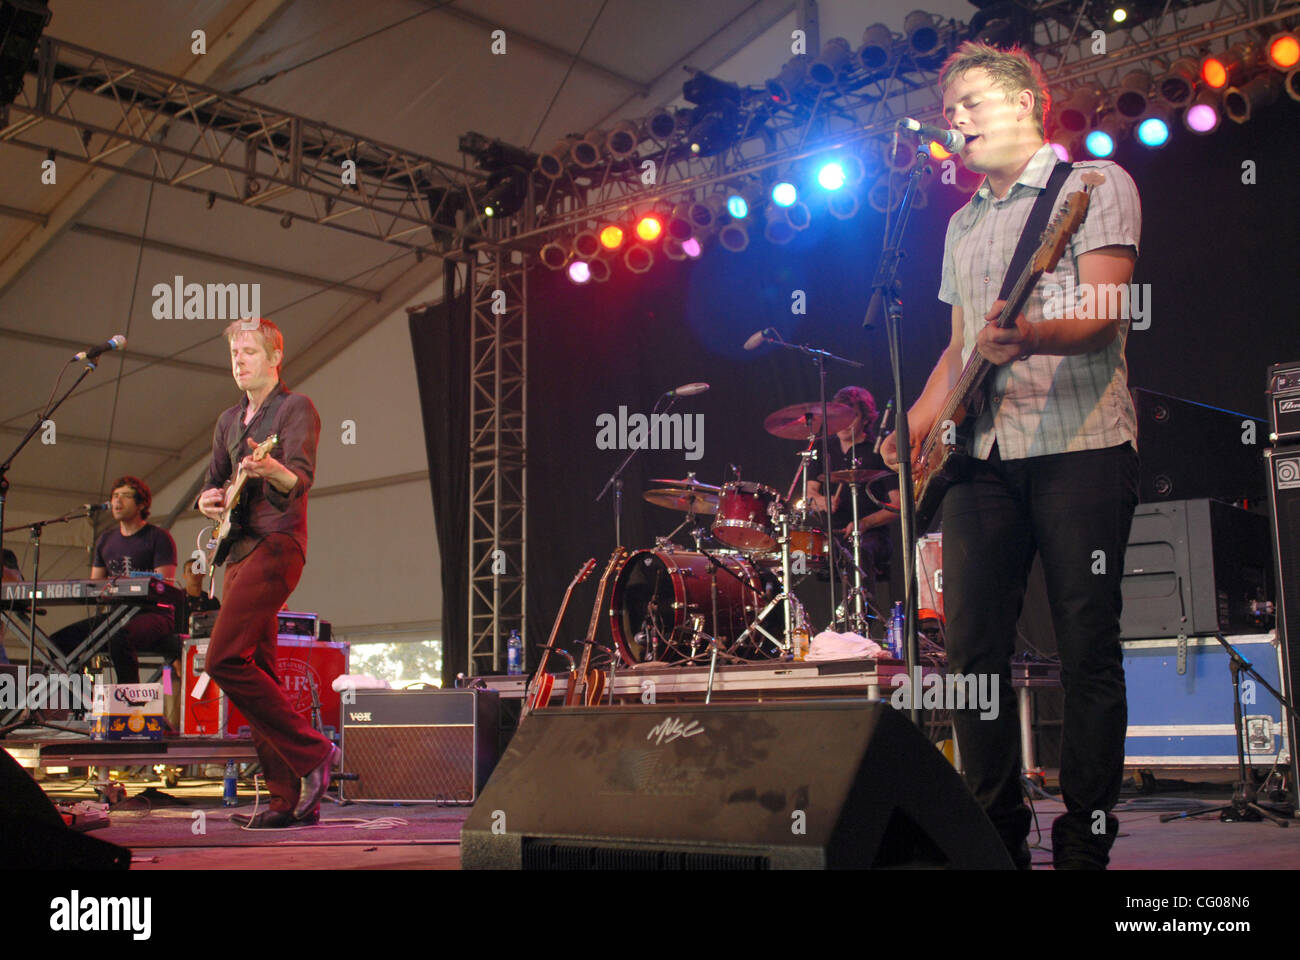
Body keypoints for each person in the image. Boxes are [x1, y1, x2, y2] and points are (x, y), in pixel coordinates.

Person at [881, 41, 1141, 870]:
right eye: (947, 105)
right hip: (980, 456)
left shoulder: (1094, 186)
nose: (952, 117)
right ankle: (991, 833)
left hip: (1080, 444)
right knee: (968, 653)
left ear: (1027, 101)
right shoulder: (961, 223)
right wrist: (918, 424)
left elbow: (1106, 310)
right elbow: (959, 347)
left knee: (1085, 645)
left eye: (969, 101)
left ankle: (1083, 839)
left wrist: (1027, 334)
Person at [197, 317, 335, 828]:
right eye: (235, 354)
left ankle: (316, 752)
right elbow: (211, 486)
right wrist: (209, 500)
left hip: (277, 542)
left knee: (223, 660)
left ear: (276, 358)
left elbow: (298, 478)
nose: (240, 361)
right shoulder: (228, 421)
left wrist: (268, 468)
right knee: (261, 671)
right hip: (235, 549)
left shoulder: (295, 408)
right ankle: (286, 800)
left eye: (250, 352)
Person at [50, 476, 179, 683]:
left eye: (125, 496)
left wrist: (129, 583)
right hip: (116, 616)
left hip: (155, 615)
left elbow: (164, 585)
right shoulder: (106, 540)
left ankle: (129, 701)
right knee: (58, 641)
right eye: (114, 496)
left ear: (142, 503)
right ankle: (80, 705)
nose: (117, 502)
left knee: (119, 636)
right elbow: (95, 584)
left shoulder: (158, 537)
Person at [805, 386, 900, 617]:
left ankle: (858, 620)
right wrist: (822, 501)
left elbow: (898, 506)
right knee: (790, 554)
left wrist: (864, 523)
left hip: (871, 537)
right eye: (840, 416)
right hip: (830, 535)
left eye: (852, 416)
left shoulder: (879, 451)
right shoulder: (822, 448)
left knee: (859, 549)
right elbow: (809, 496)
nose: (845, 422)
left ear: (866, 418)